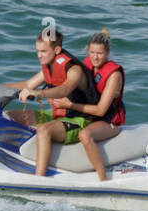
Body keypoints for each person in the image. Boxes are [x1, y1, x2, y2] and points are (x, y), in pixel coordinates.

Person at [0, 28, 100, 176]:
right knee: (8, 115)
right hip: (57, 115)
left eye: (44, 51)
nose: (39, 55)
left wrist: (39, 93)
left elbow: (65, 89)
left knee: (44, 130)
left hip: (80, 120)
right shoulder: (49, 67)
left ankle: (39, 179)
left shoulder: (74, 69)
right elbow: (27, 85)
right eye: (37, 51)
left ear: (57, 49)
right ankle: (8, 160)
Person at [47, 29, 125, 181]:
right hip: (87, 116)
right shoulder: (87, 64)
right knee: (53, 121)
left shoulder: (114, 75)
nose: (95, 57)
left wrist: (70, 105)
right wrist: (55, 98)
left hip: (109, 120)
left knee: (85, 135)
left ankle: (103, 179)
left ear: (107, 52)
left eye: (100, 53)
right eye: (92, 52)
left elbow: (102, 110)